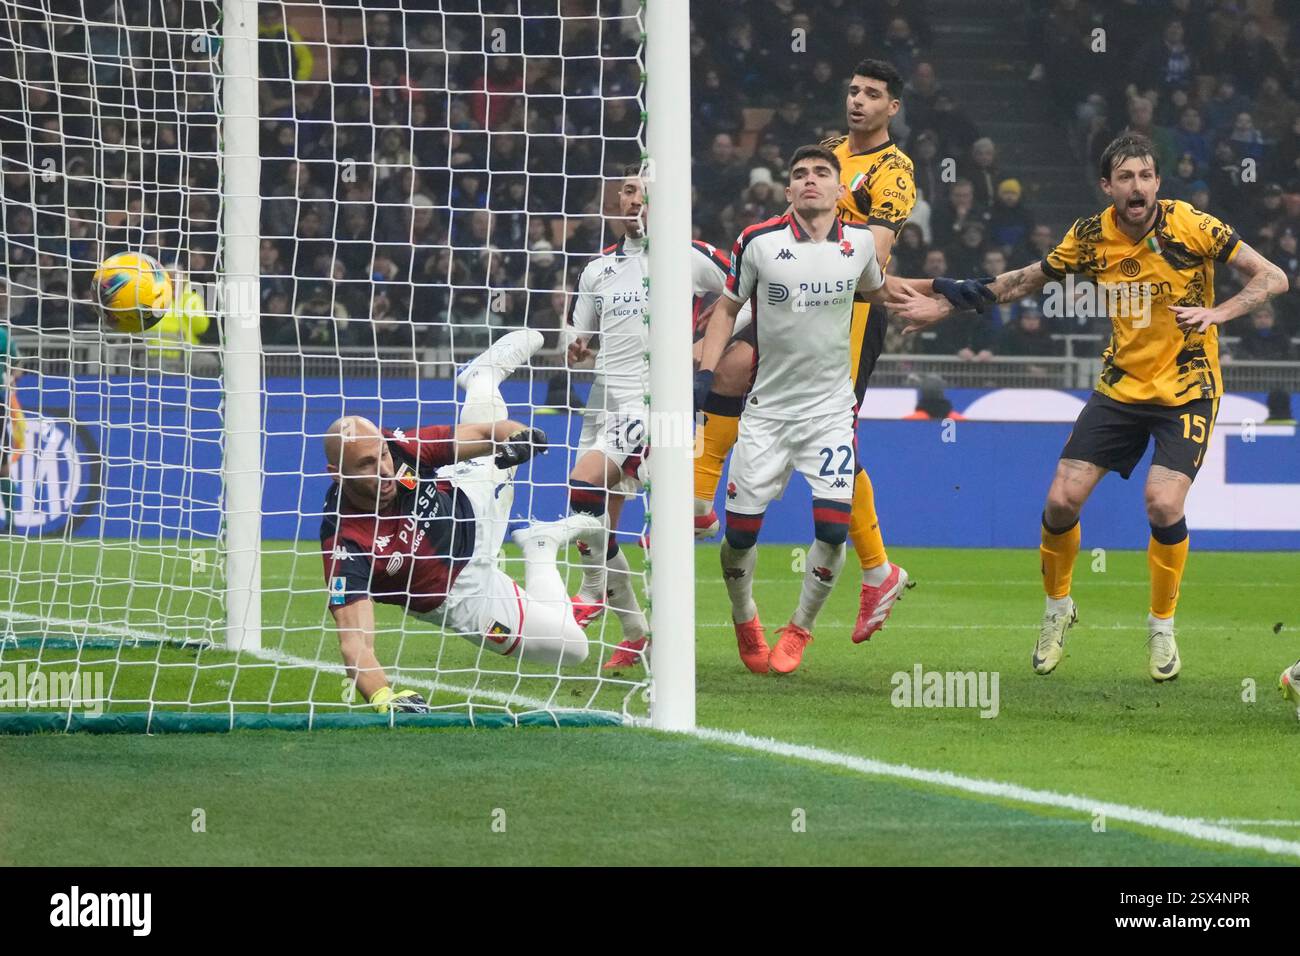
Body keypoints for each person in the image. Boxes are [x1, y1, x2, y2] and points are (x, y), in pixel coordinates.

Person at [892, 133, 1288, 682]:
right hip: (1120, 388)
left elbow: (1274, 276)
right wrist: (945, 305)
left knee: (1162, 504)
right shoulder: (1088, 237)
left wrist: (1221, 312)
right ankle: (1057, 610)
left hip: (1188, 388)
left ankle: (1161, 625)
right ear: (1108, 186)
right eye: (1125, 177)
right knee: (1061, 500)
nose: (1138, 186)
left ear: (1157, 183)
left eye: (1146, 175)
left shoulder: (1193, 225)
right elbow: (1025, 280)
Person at [692, 58, 917, 648]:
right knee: (733, 365)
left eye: (872, 94)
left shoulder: (895, 169)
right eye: (852, 90)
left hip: (849, 313)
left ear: (892, 107)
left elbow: (879, 249)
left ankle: (876, 570)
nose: (858, 101)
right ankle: (698, 497)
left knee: (835, 430)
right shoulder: (827, 150)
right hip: (789, 294)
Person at [320, 330, 601, 714]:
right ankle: (541, 545)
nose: (384, 470)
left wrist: (519, 437)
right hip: (463, 596)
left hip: (472, 499)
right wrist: (384, 695)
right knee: (572, 649)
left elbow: (489, 433)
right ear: (337, 474)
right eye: (367, 465)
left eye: (382, 455)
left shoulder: (402, 450)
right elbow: (355, 642)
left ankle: (482, 377)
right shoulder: (346, 542)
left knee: (487, 448)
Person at [565, 164, 731, 669]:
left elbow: (740, 298)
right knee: (592, 518)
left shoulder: (691, 256)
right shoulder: (598, 269)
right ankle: (636, 628)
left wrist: (705, 344)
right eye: (622, 191)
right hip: (605, 401)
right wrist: (574, 348)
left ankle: (594, 589)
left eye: (635, 188)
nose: (627, 197)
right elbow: (578, 334)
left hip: (658, 402)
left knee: (593, 492)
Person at [0, 319, 22, 531]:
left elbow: (17, 366)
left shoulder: (3, 334)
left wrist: (10, 376)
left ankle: (11, 521)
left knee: (3, 467)